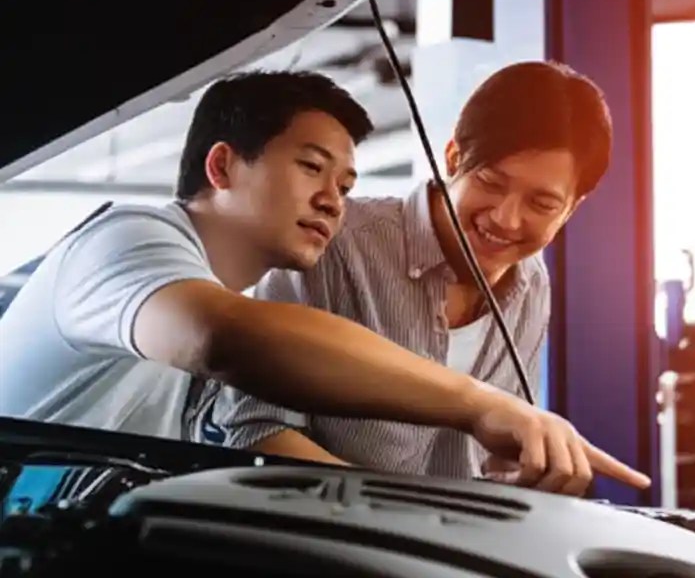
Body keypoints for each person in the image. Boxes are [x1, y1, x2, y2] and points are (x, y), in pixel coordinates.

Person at [0, 69, 646, 497]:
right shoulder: (127, 238)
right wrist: (481, 403)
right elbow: (221, 339)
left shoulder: (530, 287)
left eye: (345, 185)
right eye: (312, 169)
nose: (334, 203)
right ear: (222, 164)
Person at [205, 61, 612, 494]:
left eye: (542, 204)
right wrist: (392, 511)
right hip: (315, 537)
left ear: (573, 206)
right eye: (491, 181)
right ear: (454, 157)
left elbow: (489, 460)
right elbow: (254, 429)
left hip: (446, 543)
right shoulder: (334, 243)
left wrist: (536, 473)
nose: (507, 219)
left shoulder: (531, 284)